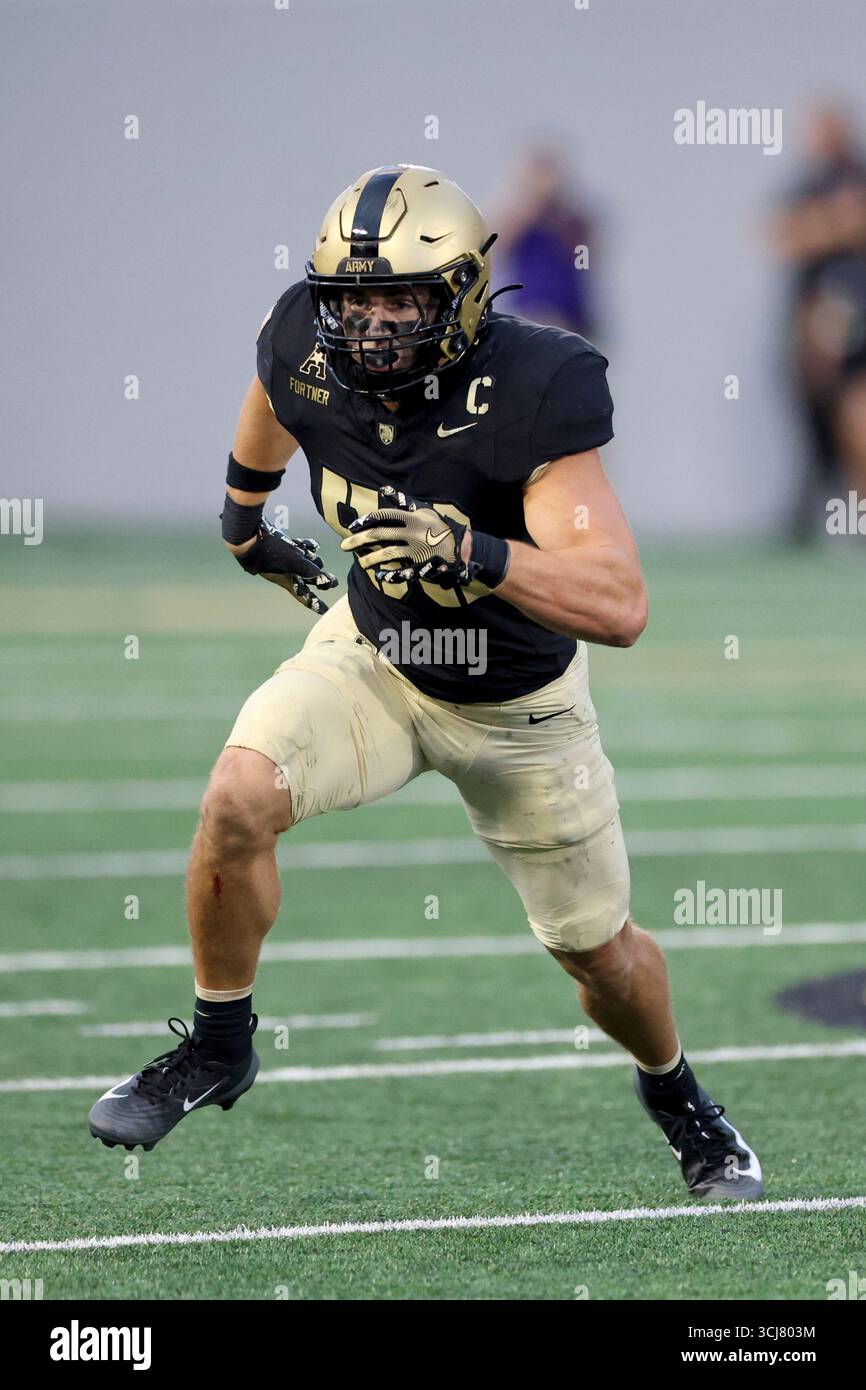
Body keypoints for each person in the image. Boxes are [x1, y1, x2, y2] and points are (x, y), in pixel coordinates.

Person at [89, 164, 762, 1200]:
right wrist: (242, 521)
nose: (370, 326)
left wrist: (475, 549)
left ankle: (677, 1096)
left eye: (399, 298)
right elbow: (279, 389)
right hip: (377, 656)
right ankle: (219, 1040)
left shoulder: (535, 383)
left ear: (462, 293)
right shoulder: (305, 339)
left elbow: (618, 603)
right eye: (351, 303)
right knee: (235, 798)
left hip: (520, 711)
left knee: (599, 959)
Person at [770, 105, 866, 535]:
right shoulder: (805, 185)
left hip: (855, 322)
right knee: (814, 428)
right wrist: (833, 223)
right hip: (811, 325)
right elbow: (780, 238)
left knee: (858, 422)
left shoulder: (856, 175)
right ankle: (808, 516)